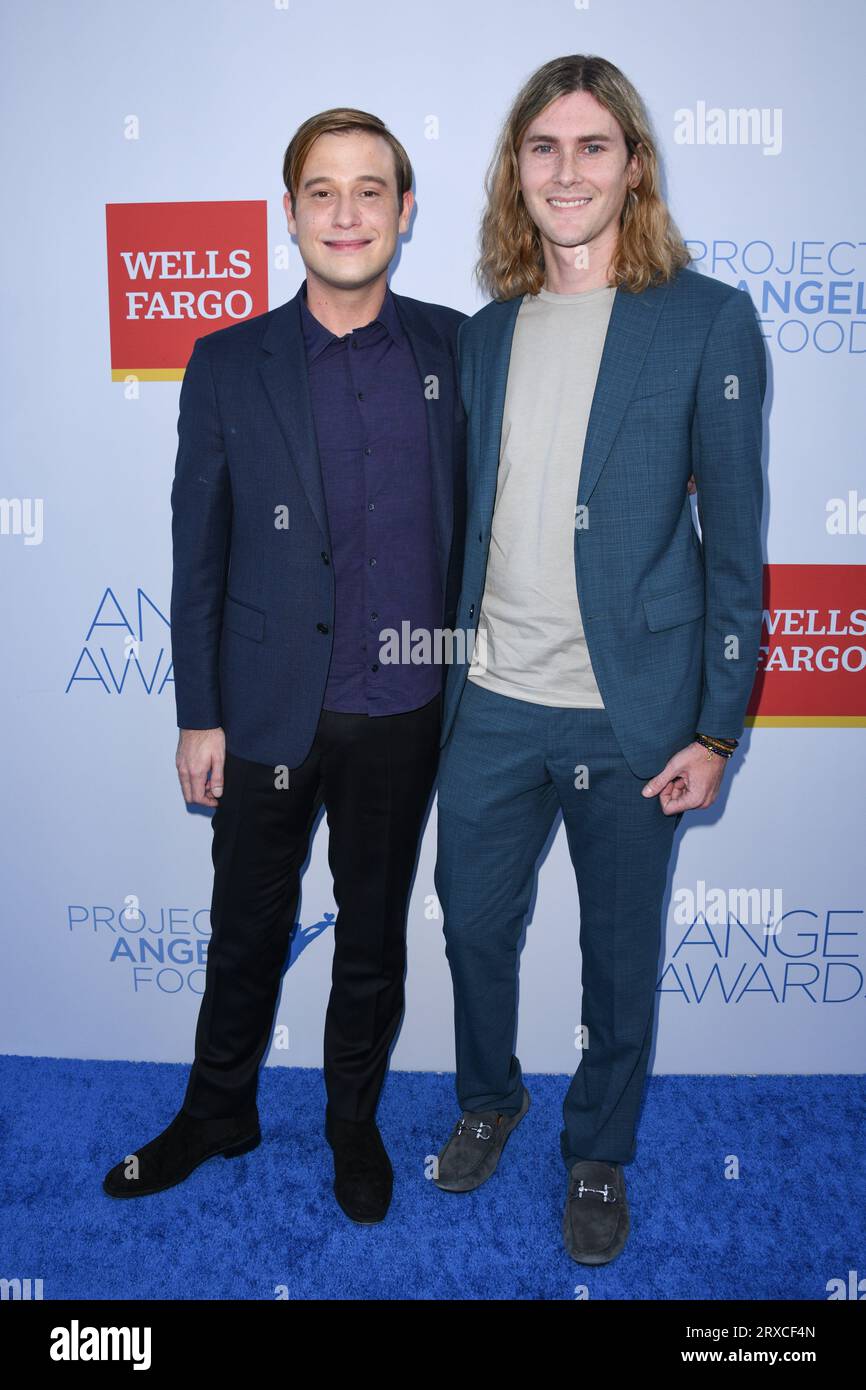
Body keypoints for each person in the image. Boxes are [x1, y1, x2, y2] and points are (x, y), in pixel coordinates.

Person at [103, 109, 467, 1225]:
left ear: (405, 213)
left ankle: (350, 1122)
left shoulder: (459, 350)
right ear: (291, 211)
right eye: (322, 191)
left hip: (404, 702)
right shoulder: (225, 363)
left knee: (370, 932)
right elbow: (196, 545)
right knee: (245, 929)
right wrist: (197, 711)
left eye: (370, 190)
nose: (346, 212)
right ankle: (220, 1109)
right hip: (263, 711)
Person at [432, 54, 766, 1264]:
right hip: (494, 701)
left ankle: (597, 1154)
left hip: (635, 712)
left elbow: (736, 548)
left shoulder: (704, 317)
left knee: (616, 956)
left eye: (590, 147)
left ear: (632, 167)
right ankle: (489, 1095)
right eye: (541, 148)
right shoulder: (483, 334)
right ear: (514, 172)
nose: (564, 171)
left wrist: (717, 729)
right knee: (473, 923)